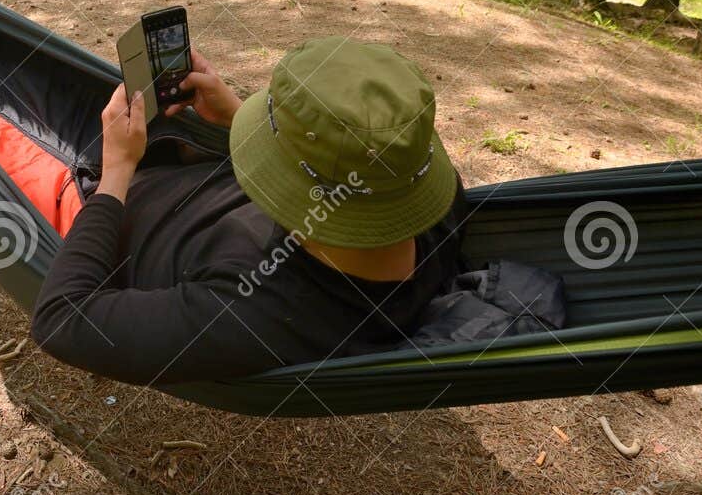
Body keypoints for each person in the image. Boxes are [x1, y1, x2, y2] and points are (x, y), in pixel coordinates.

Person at [31, 37, 472, 385]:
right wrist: (239, 119)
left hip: (89, 205)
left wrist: (117, 171)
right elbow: (356, 166)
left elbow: (62, 319)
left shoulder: (253, 313)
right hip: (180, 173)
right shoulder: (437, 204)